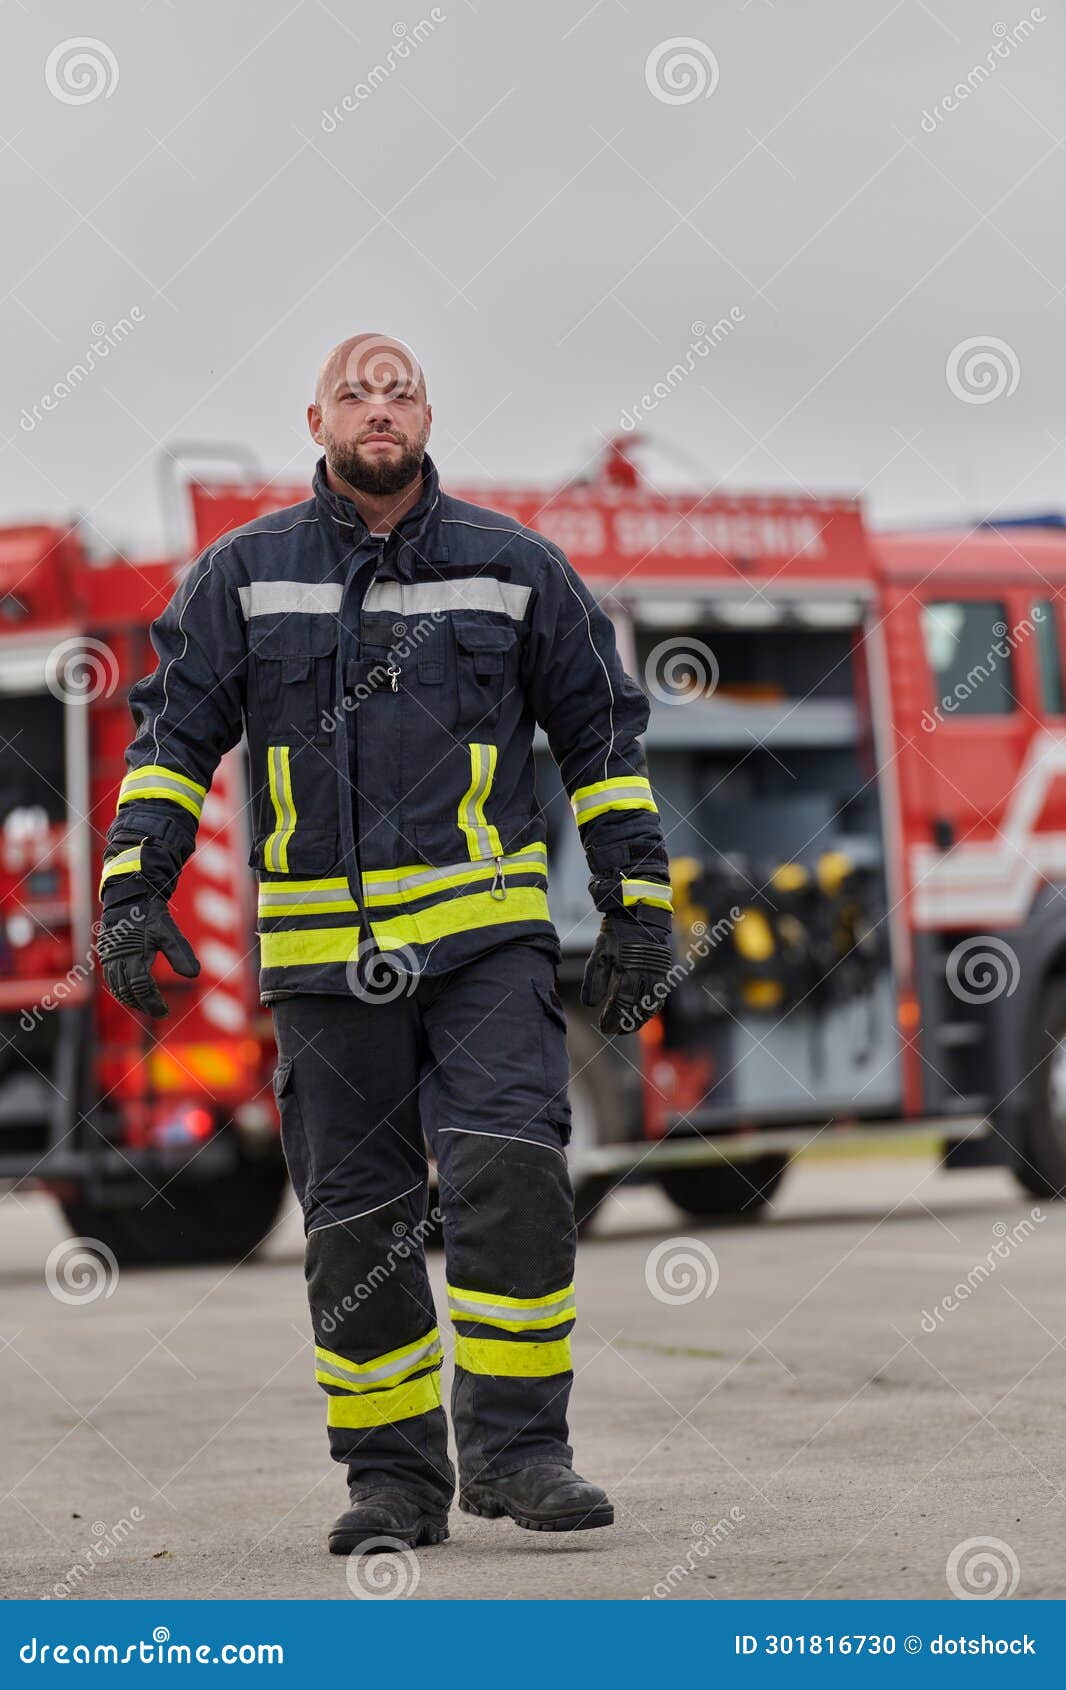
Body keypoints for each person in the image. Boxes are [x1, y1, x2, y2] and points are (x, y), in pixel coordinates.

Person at [97, 334, 674, 1554]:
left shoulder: (516, 568)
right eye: (354, 392)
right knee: (357, 1221)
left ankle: (521, 1451)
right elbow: (170, 742)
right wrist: (132, 895)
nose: (378, 407)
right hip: (322, 960)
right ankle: (395, 1479)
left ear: (425, 415)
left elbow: (602, 741)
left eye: (397, 389)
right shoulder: (240, 575)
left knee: (509, 1170)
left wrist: (636, 902)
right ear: (315, 418)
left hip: (484, 947)